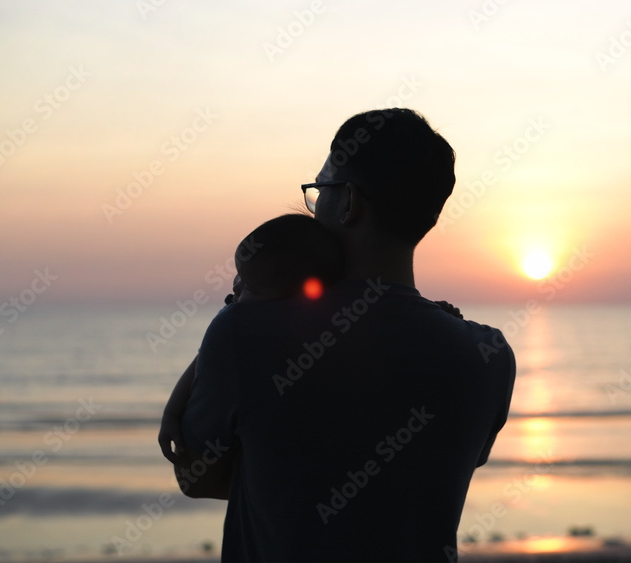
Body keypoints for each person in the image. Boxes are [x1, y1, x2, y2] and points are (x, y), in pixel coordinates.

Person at [175, 109, 516, 562]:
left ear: (349, 202)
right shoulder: (488, 355)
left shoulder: (246, 331)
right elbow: (424, 483)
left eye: (320, 192)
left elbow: (196, 478)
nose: (313, 209)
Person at [159, 213, 344, 483]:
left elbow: (194, 483)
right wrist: (171, 412)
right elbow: (200, 362)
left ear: (295, 297)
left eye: (251, 287)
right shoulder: (245, 314)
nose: (236, 288)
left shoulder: (247, 329)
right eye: (238, 276)